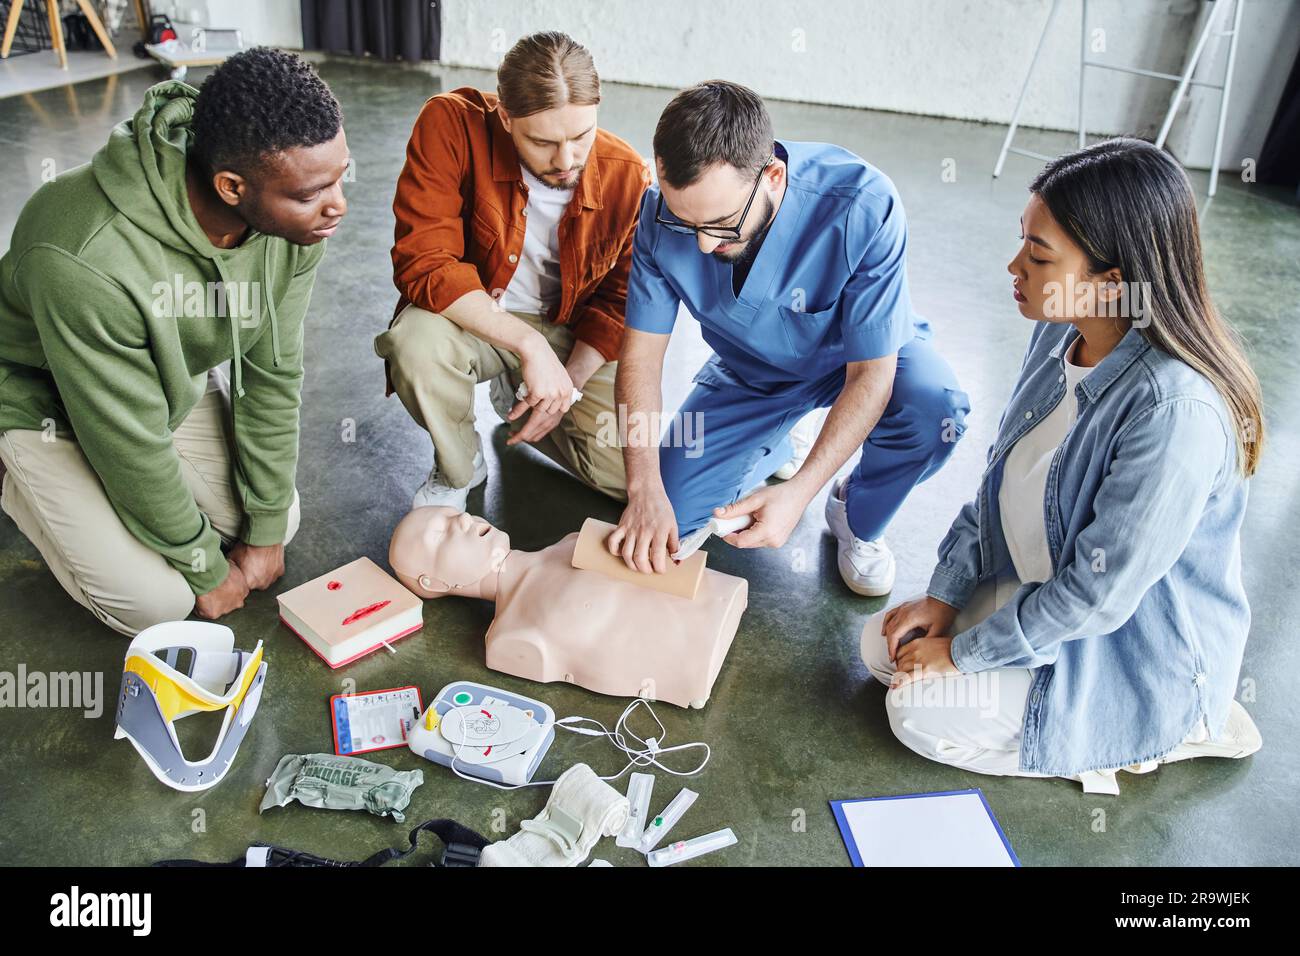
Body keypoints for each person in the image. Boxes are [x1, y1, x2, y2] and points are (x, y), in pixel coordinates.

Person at [862, 138, 1264, 794]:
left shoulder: (1174, 411)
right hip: (1042, 580)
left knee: (915, 714)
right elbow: (998, 487)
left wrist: (962, 653)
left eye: (1039, 256)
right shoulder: (1060, 328)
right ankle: (1009, 674)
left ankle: (1171, 728)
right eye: (1024, 239)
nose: (1013, 265)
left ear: (1112, 283)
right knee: (882, 650)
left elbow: (1095, 598)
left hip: (1125, 651)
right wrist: (945, 594)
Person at [0, 48, 348, 635]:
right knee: (155, 605)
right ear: (232, 186)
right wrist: (204, 568)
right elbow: (127, 441)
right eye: (313, 192)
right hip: (36, 400)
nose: (338, 204)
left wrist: (261, 535)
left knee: (277, 517)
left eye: (340, 175)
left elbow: (272, 374)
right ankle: (16, 472)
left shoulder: (294, 221)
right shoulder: (86, 257)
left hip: (156, 385)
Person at [607, 80, 968, 596]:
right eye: (687, 224)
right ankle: (779, 440)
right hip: (753, 373)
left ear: (773, 177)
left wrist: (801, 494)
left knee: (938, 410)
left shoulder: (863, 202)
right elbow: (640, 359)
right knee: (673, 518)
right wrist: (643, 486)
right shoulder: (660, 212)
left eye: (723, 224)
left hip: (861, 355)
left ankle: (857, 514)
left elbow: (873, 374)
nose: (705, 245)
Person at [375, 31, 649, 511]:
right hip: (478, 315)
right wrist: (528, 345)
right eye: (542, 142)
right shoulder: (450, 124)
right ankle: (459, 463)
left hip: (569, 327)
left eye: (581, 136)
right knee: (415, 345)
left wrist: (569, 385)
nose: (565, 161)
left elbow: (619, 300)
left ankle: (516, 397)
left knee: (628, 480)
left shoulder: (627, 173)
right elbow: (425, 261)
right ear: (505, 116)